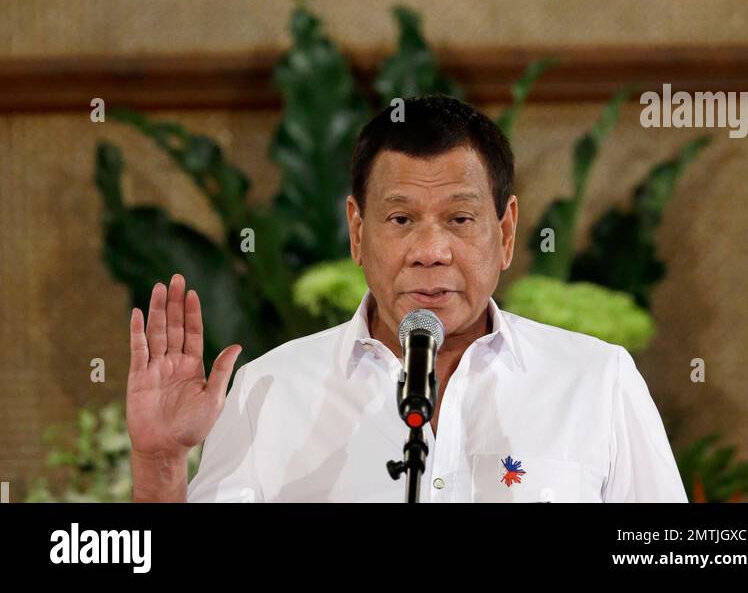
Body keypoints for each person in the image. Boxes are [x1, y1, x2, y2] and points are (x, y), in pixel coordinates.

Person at [127, 94, 688, 503]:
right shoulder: (269, 391)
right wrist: (159, 464)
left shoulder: (596, 380)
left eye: (460, 219)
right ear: (357, 231)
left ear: (507, 231)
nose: (430, 250)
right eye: (400, 219)